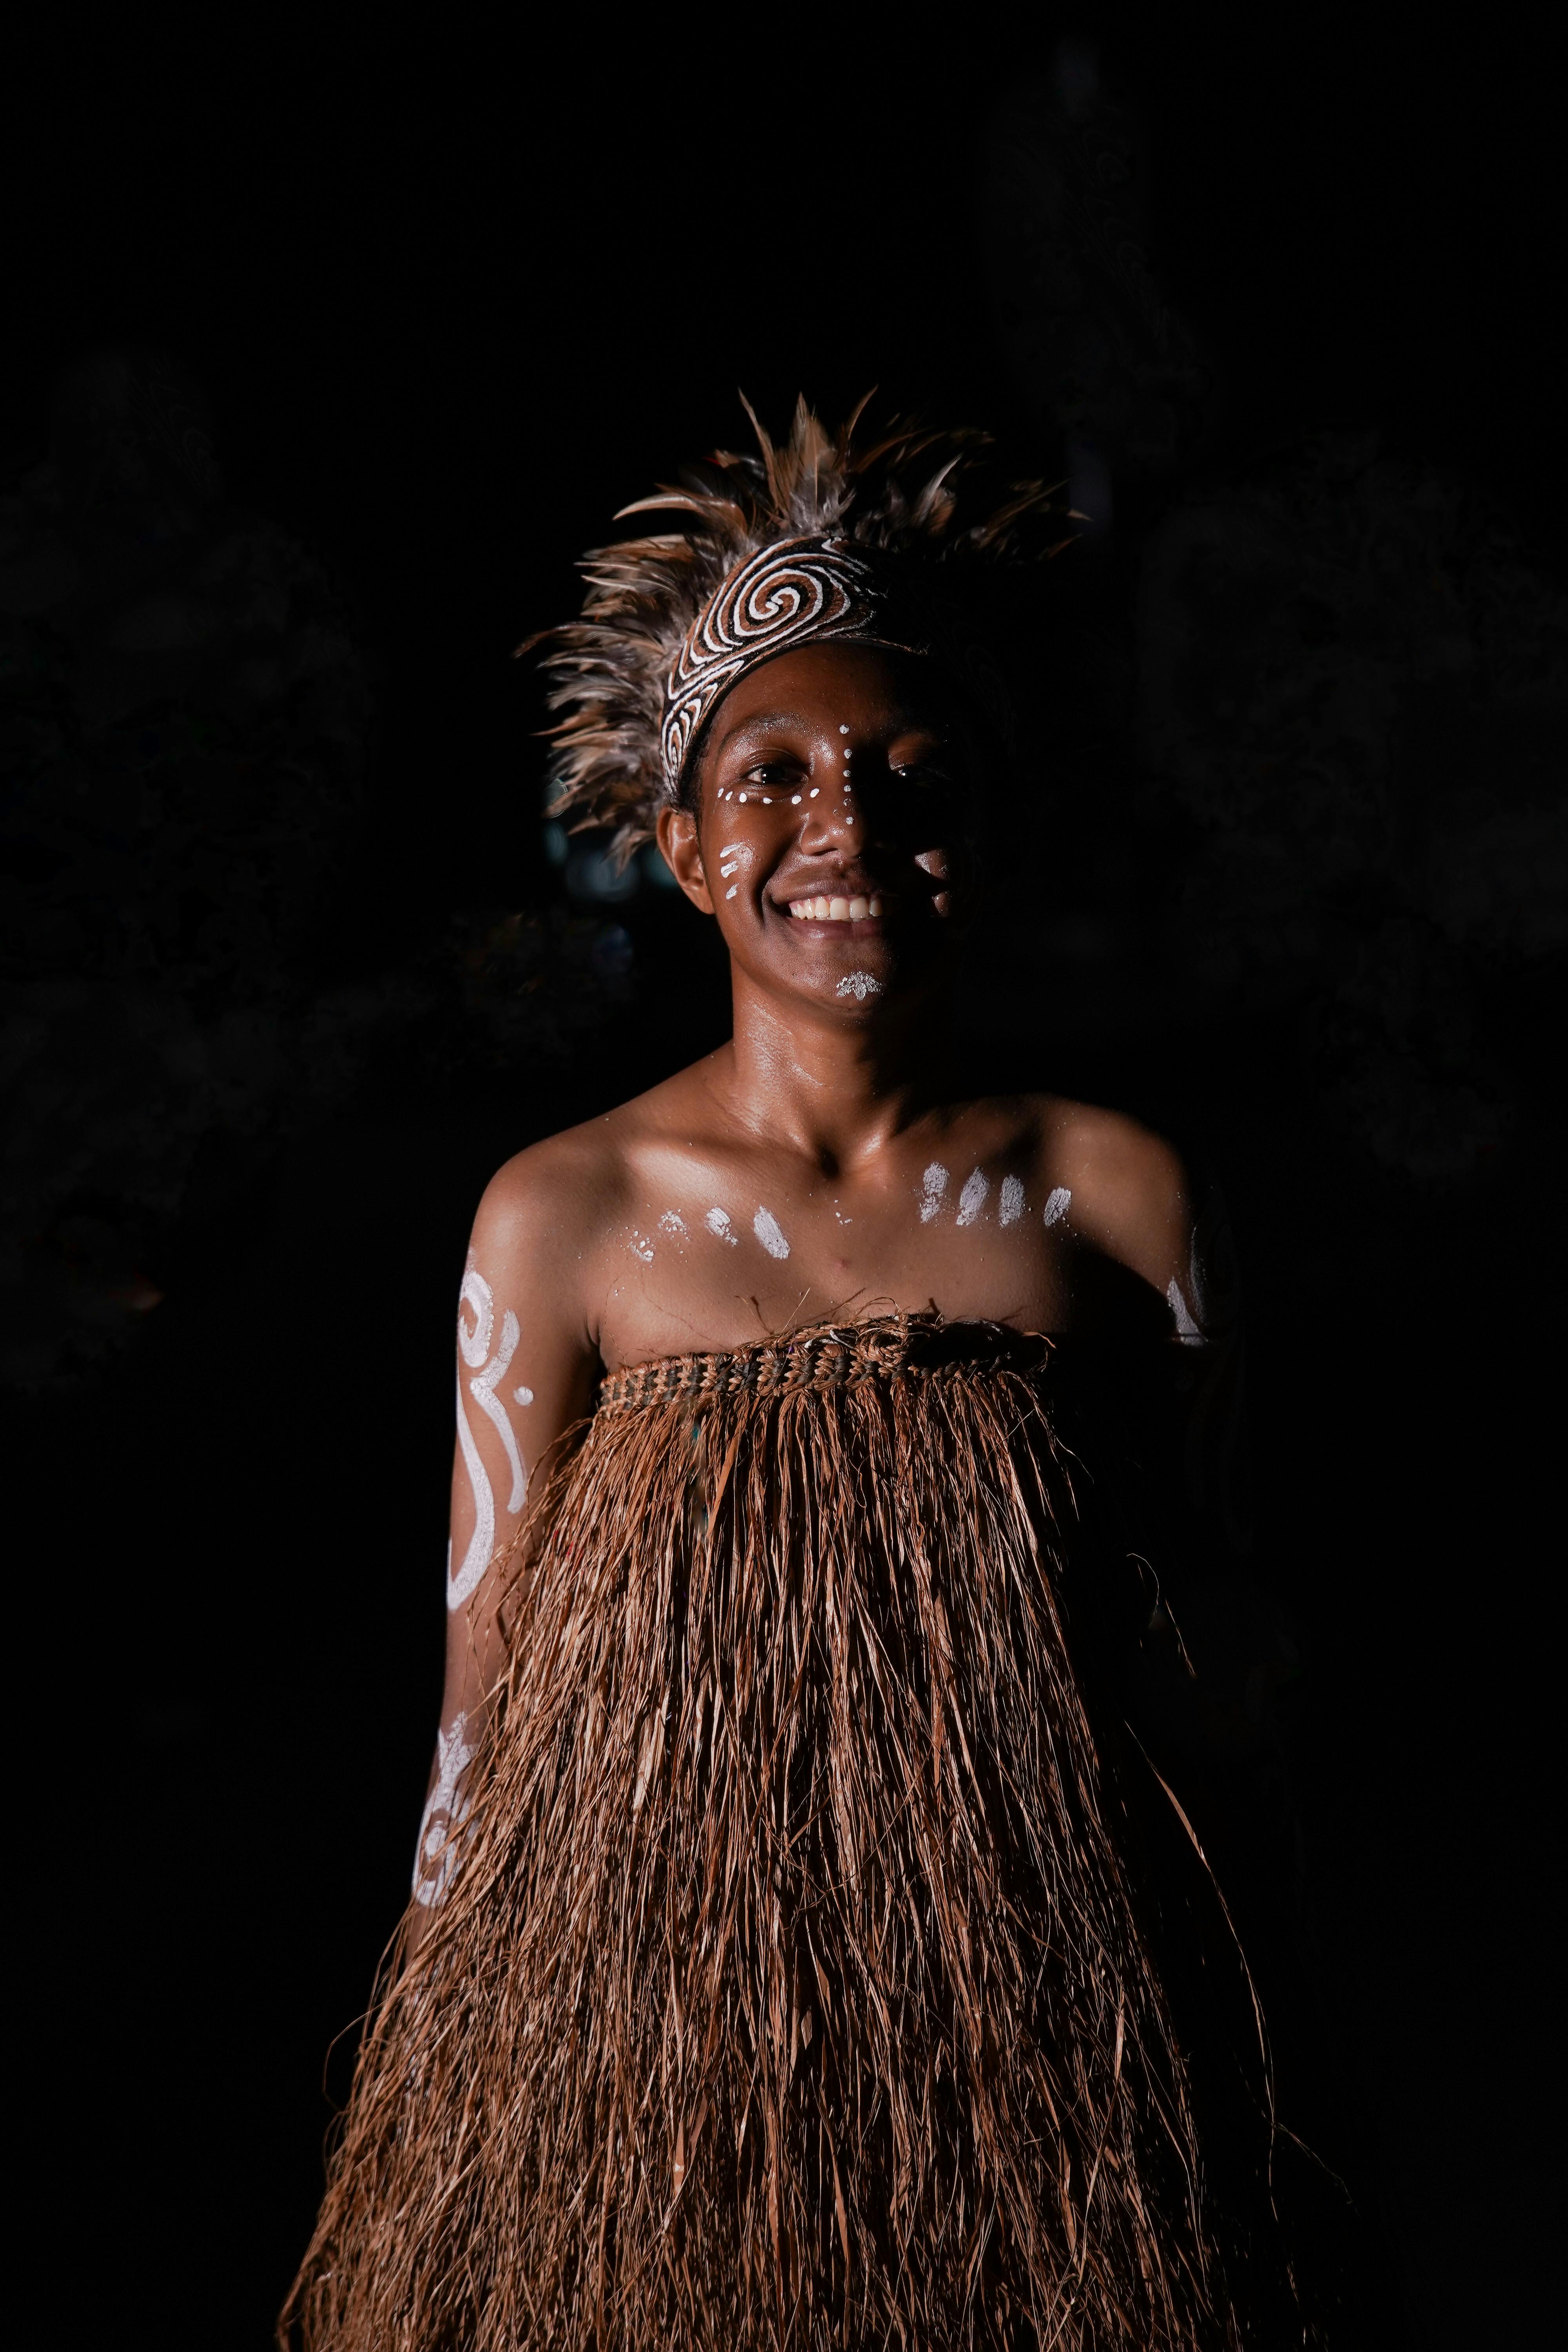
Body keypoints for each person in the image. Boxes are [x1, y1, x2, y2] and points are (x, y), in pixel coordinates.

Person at [282, 403, 1302, 2350]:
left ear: (991, 827)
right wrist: (457, 2059)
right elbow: (482, 1693)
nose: (845, 825)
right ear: (682, 847)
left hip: (1038, 2031)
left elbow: (1224, 1638)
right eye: (774, 775)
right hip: (667, 2033)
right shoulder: (566, 1217)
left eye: (912, 775)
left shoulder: (1119, 1198)